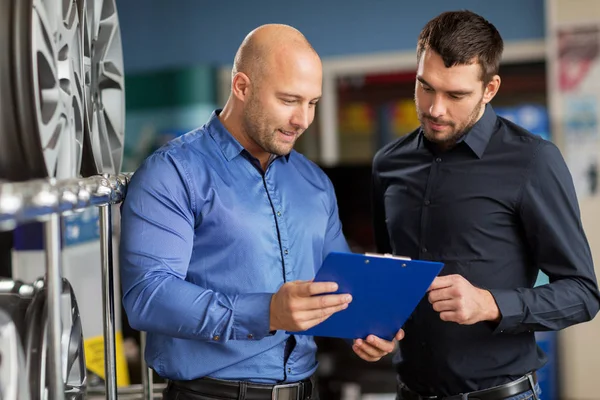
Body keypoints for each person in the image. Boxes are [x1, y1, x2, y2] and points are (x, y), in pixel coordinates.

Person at [120, 24, 403, 400]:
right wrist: (267, 311)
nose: (303, 119)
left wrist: (368, 325)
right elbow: (147, 296)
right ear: (241, 87)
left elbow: (337, 286)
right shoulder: (173, 172)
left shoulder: (314, 183)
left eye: (312, 103)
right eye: (289, 100)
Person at [371, 10, 600, 400]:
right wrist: (374, 325)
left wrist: (491, 303)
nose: (435, 108)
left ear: (489, 88)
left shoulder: (532, 161)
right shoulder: (388, 163)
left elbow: (582, 294)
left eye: (455, 94)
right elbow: (387, 273)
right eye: (425, 87)